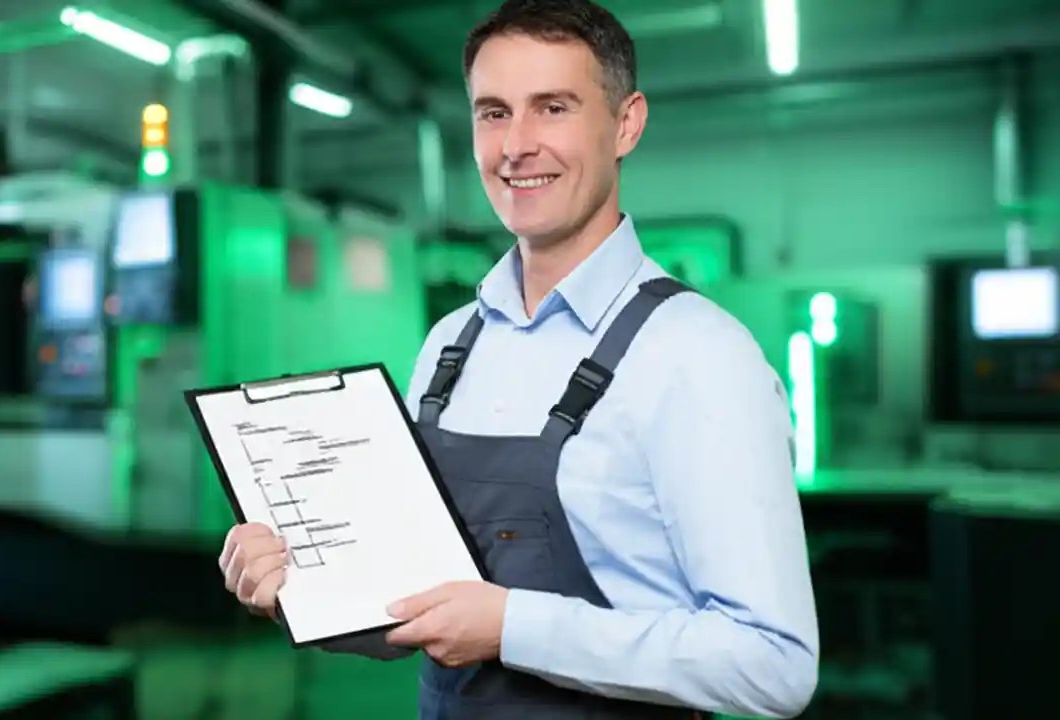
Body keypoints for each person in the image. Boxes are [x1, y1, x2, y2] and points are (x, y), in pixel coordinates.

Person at [218, 0, 819, 717]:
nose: (516, 145)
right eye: (493, 113)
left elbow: (774, 665)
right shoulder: (449, 345)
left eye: (553, 108)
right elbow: (418, 608)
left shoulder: (698, 355)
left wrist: (511, 627)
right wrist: (303, 588)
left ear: (626, 123)